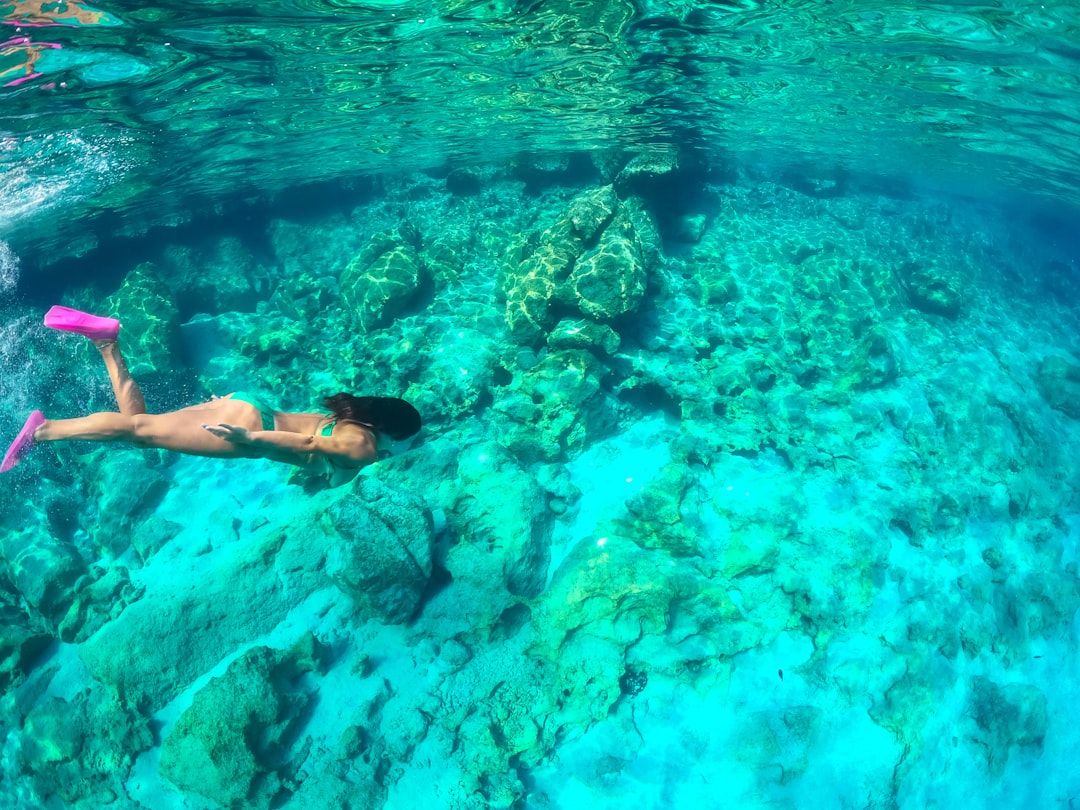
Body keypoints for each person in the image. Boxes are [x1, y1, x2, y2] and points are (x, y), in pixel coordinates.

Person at [1, 306, 422, 487]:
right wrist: (250, 440)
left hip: (251, 407)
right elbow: (310, 442)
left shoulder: (355, 423)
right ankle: (43, 430)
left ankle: (106, 342)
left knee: (141, 430)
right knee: (139, 430)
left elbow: (313, 440)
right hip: (251, 429)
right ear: (392, 431)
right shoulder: (364, 447)